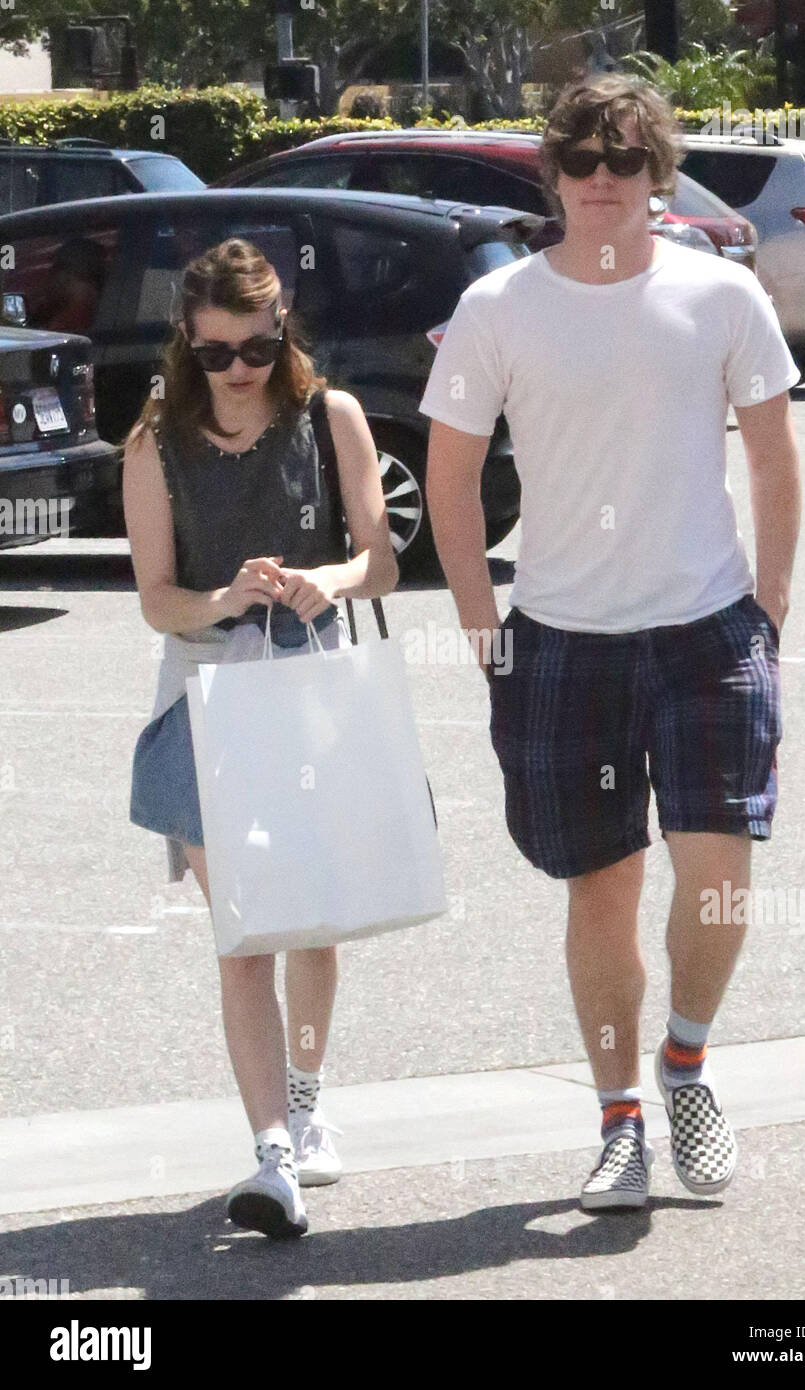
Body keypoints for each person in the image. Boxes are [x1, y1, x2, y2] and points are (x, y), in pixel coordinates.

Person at [420, 75, 802, 1210]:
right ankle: (618, 1120)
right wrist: (481, 630)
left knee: (718, 872)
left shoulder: (720, 293)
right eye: (580, 159)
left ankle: (684, 1059)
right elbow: (449, 478)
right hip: (560, 642)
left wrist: (770, 608)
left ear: (657, 175)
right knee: (599, 888)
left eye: (623, 159)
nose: (600, 178)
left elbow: (774, 454)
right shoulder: (497, 307)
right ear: (552, 175)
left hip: (707, 632)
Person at [124, 238, 398, 1237]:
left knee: (310, 924)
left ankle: (307, 1097)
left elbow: (380, 561)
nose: (237, 368)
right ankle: (271, 1153)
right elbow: (157, 600)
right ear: (185, 344)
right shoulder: (154, 442)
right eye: (215, 353)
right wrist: (223, 597)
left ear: (281, 330)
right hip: (207, 698)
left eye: (255, 347)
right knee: (244, 936)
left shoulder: (331, 417)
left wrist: (327, 578)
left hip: (312, 690)